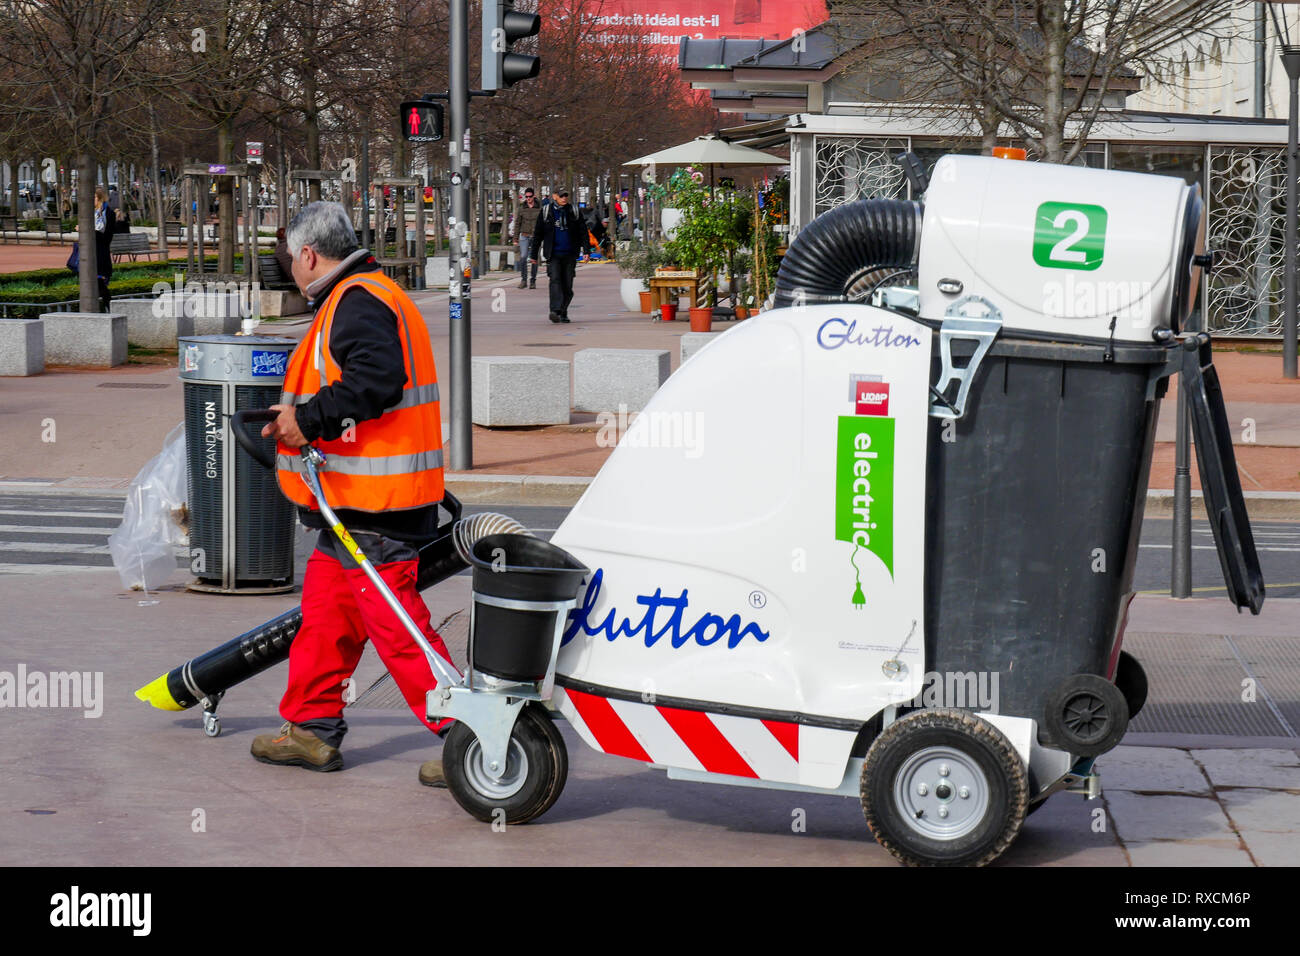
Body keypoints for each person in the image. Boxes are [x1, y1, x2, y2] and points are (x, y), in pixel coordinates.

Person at [251, 201, 456, 788]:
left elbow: (374, 382)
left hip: (375, 505)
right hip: (353, 504)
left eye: (290, 260)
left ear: (309, 255)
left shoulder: (357, 300)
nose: (290, 270)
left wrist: (306, 420)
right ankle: (312, 727)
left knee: (397, 626)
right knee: (326, 616)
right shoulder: (368, 293)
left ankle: (471, 734)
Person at [530, 189, 588, 323]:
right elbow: (538, 234)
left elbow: (583, 232)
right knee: (555, 280)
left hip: (570, 254)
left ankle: (563, 311)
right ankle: (555, 310)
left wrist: (586, 251)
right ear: (554, 196)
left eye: (566, 195)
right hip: (554, 254)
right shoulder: (546, 212)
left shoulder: (573, 211)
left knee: (567, 286)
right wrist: (533, 255)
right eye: (561, 196)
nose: (564, 198)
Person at [92, 186, 128, 313]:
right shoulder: (93, 214)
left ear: (99, 198)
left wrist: (88, 231)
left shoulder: (108, 214)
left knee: (100, 283)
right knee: (96, 284)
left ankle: (109, 308)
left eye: (94, 197)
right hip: (93, 254)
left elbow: (106, 237)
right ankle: (106, 309)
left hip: (101, 254)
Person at [514, 188, 542, 289]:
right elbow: (518, 223)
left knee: (534, 259)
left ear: (534, 196)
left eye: (530, 196)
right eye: (526, 197)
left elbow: (543, 222)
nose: (528, 198)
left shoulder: (540, 207)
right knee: (523, 257)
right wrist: (515, 238)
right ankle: (523, 280)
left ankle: (533, 281)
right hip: (524, 235)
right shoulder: (522, 208)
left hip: (535, 236)